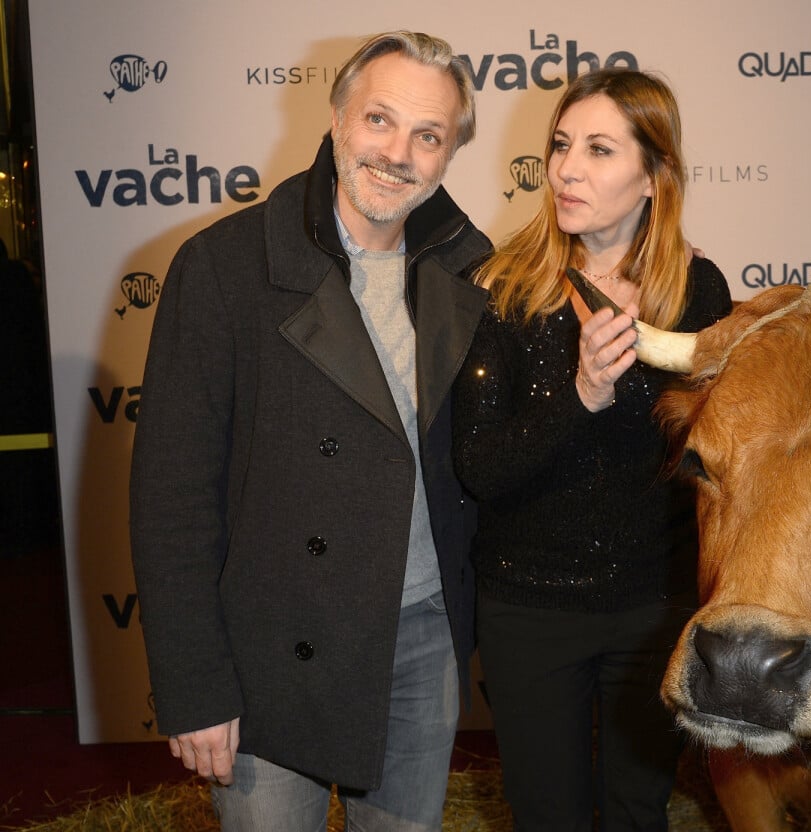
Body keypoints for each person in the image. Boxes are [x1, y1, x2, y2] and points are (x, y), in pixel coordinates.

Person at [129, 31, 492, 831]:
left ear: (448, 154)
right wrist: (194, 687)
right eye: (379, 120)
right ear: (336, 118)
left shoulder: (471, 273)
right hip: (271, 656)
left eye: (427, 136)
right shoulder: (224, 267)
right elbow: (172, 501)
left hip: (421, 640)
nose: (398, 153)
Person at [452, 69, 732, 831]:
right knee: (550, 816)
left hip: (654, 609)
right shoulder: (503, 289)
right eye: (561, 145)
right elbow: (479, 466)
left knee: (640, 813)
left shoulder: (699, 294)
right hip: (529, 610)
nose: (568, 169)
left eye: (600, 150)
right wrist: (579, 395)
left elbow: (715, 458)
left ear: (653, 176)